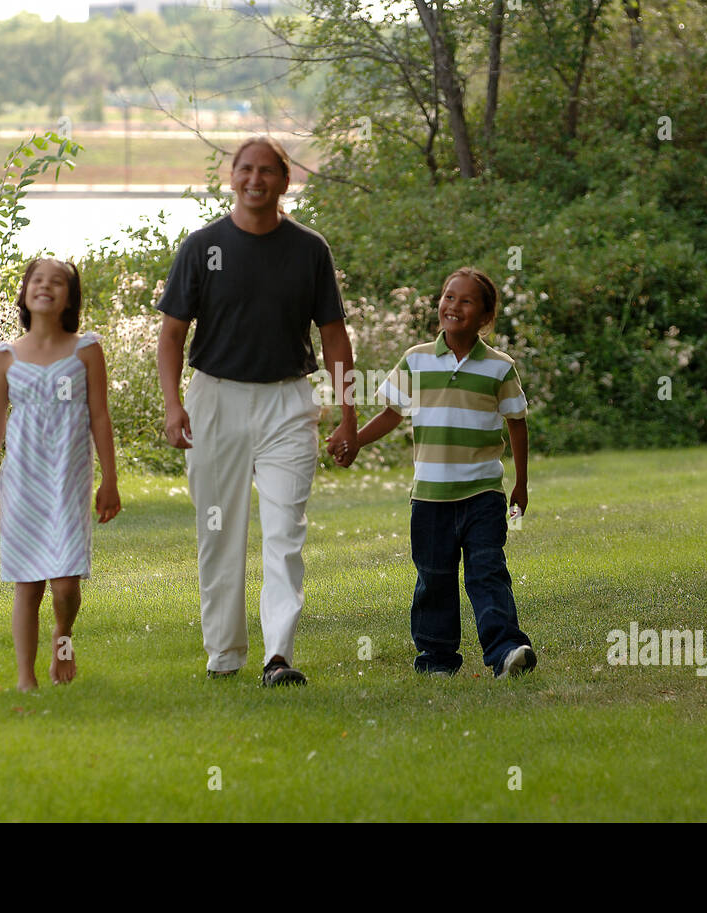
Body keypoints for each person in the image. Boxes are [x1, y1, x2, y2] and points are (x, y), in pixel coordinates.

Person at [157, 136, 357, 686]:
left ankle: (278, 657)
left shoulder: (309, 249)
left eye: (268, 171)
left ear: (284, 180)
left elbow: (335, 337)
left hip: (288, 403)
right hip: (215, 400)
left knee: (285, 530)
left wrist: (347, 415)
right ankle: (224, 653)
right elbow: (172, 333)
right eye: (246, 169)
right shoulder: (202, 247)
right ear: (232, 177)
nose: (256, 179)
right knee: (219, 531)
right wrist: (173, 404)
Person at [341, 266, 536, 678]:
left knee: (487, 572)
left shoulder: (499, 368)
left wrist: (520, 481)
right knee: (434, 579)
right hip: (429, 497)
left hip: (483, 493)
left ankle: (506, 651)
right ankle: (436, 660)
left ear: (485, 316)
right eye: (449, 297)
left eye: (466, 300)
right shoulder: (416, 360)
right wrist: (355, 440)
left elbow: (516, 422)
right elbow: (393, 412)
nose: (454, 306)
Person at [0, 257, 121, 692]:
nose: (46, 287)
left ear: (69, 298)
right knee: (28, 582)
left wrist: (109, 479)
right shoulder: (4, 357)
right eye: (37, 280)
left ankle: (63, 635)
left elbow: (100, 416)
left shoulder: (86, 350)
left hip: (68, 477)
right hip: (22, 480)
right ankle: (25, 679)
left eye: (57, 283)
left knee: (64, 583)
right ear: (24, 292)